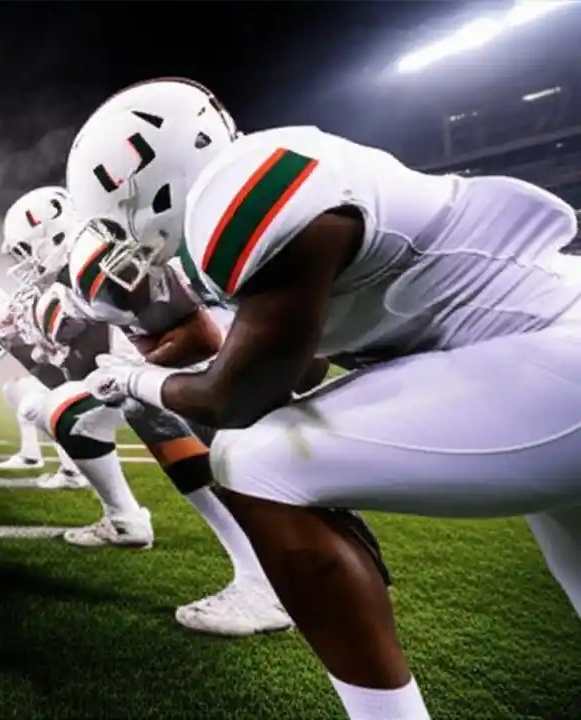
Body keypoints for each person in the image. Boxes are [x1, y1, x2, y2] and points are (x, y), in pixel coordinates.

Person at [68, 77, 581, 718]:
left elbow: (232, 401)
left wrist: (131, 380)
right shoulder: (278, 181)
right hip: (539, 345)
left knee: (254, 460)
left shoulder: (236, 185)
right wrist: (212, 344)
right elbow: (299, 371)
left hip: (554, 354)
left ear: (142, 184)